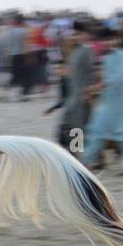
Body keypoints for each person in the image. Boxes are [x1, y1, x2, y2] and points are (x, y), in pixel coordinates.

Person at [45, 21, 96, 153]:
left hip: (82, 96)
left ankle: (76, 153)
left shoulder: (87, 50)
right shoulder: (74, 51)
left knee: (78, 126)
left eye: (78, 34)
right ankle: (73, 152)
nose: (75, 37)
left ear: (85, 35)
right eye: (74, 34)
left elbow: (91, 73)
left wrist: (89, 93)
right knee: (70, 126)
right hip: (72, 96)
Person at [84, 27, 123, 171]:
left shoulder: (120, 55)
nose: (108, 43)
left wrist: (94, 88)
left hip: (118, 103)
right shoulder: (109, 57)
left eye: (110, 39)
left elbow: (113, 79)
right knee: (116, 133)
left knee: (99, 130)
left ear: (117, 39)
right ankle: (87, 161)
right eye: (104, 40)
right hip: (112, 101)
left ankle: (86, 162)